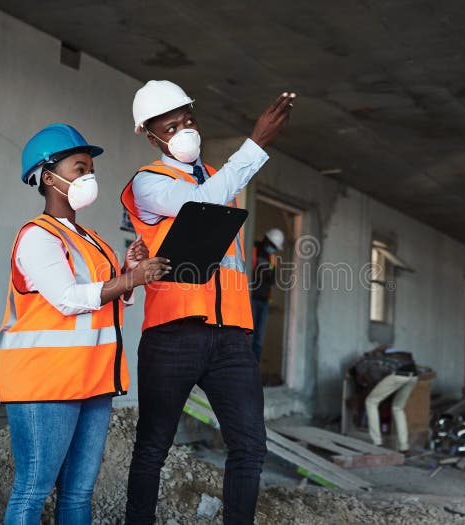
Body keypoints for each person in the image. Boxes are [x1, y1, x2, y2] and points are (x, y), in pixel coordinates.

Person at [120, 80, 295, 524]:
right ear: (151, 136)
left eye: (188, 120)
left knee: (250, 446)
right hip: (173, 333)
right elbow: (197, 204)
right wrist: (255, 145)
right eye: (170, 127)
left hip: (231, 336)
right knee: (153, 448)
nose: (184, 131)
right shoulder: (149, 182)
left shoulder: (220, 180)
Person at [0, 123, 170, 524]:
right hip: (46, 384)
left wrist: (127, 271)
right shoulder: (37, 236)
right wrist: (132, 279)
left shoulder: (92, 239)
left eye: (91, 169)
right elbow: (69, 298)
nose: (89, 177)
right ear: (48, 177)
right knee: (33, 490)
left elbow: (106, 300)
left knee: (78, 494)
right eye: (79, 168)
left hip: (92, 381)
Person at [355, 346, 419, 454]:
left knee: (371, 401)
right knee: (398, 408)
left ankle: (377, 443)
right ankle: (404, 447)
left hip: (398, 375)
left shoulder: (362, 363)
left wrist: (369, 386)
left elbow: (368, 380)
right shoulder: (392, 356)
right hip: (414, 376)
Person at [250, 228, 284, 362]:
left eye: (275, 247)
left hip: (263, 301)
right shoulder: (253, 249)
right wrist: (261, 274)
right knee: (248, 337)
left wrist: (262, 275)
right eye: (273, 246)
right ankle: (244, 369)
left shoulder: (272, 258)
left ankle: (253, 370)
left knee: (258, 341)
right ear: (267, 240)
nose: (273, 249)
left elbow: (272, 280)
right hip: (251, 299)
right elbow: (248, 272)